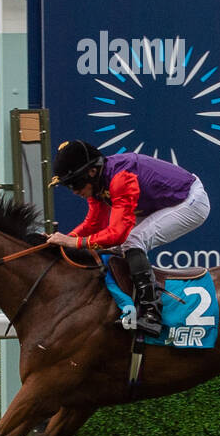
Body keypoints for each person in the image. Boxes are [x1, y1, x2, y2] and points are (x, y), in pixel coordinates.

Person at [48, 140, 210, 336]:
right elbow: (94, 224)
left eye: (75, 183)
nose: (74, 191)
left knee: (131, 241)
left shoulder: (120, 178)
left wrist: (75, 242)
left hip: (190, 201)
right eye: (68, 186)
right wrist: (62, 241)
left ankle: (152, 314)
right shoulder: (98, 183)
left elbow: (117, 233)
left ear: (92, 171)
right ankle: (130, 306)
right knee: (121, 245)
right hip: (162, 202)